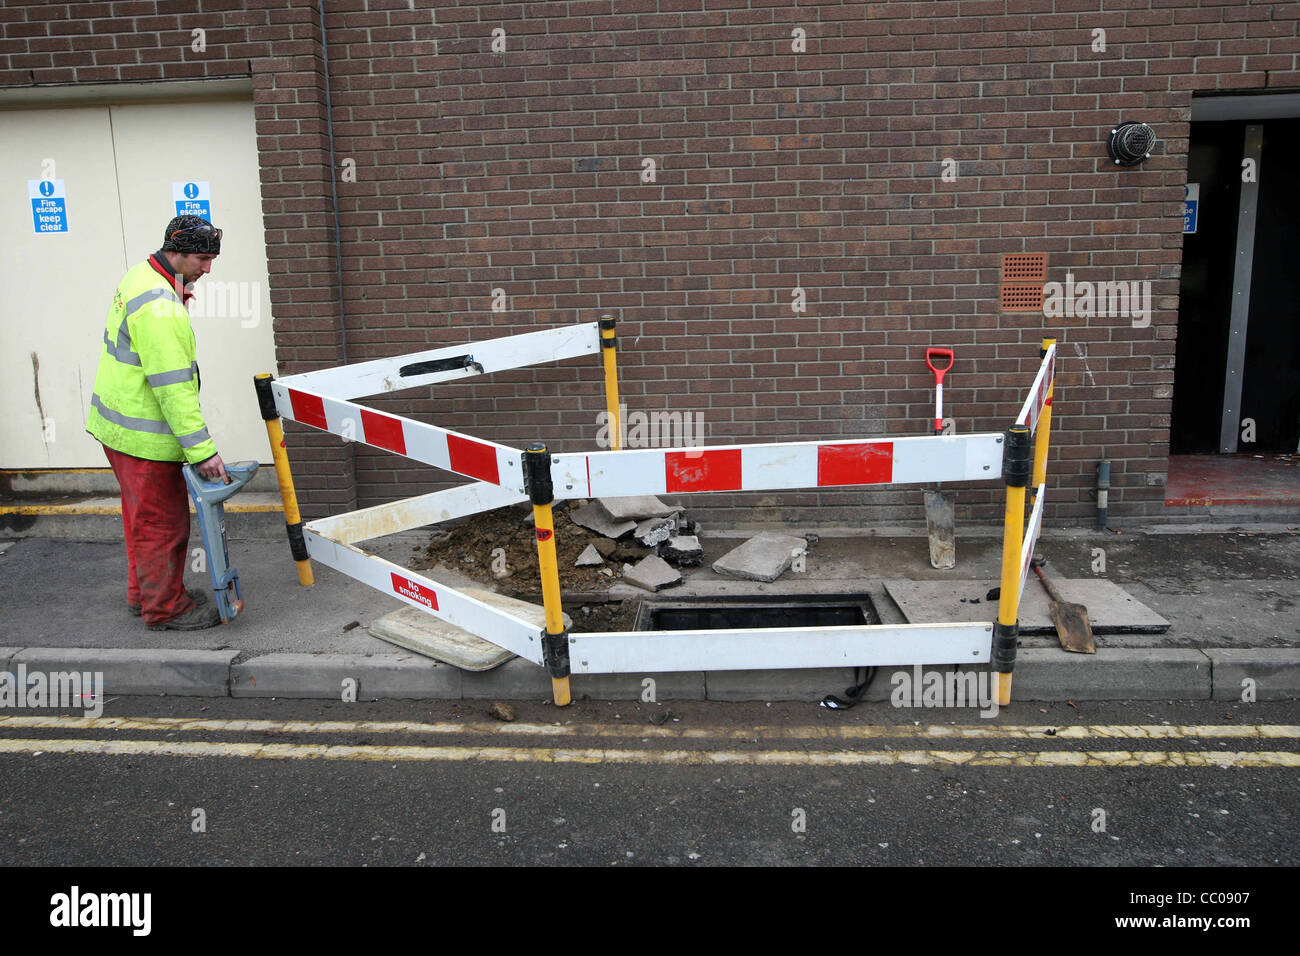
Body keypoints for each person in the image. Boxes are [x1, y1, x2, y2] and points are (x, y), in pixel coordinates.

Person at [87, 215, 230, 630]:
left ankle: (143, 594)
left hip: (119, 430)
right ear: (178, 251)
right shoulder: (159, 307)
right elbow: (172, 388)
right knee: (163, 526)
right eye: (202, 259)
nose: (207, 269)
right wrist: (203, 451)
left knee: (141, 518)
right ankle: (166, 609)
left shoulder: (140, 276)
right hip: (144, 439)